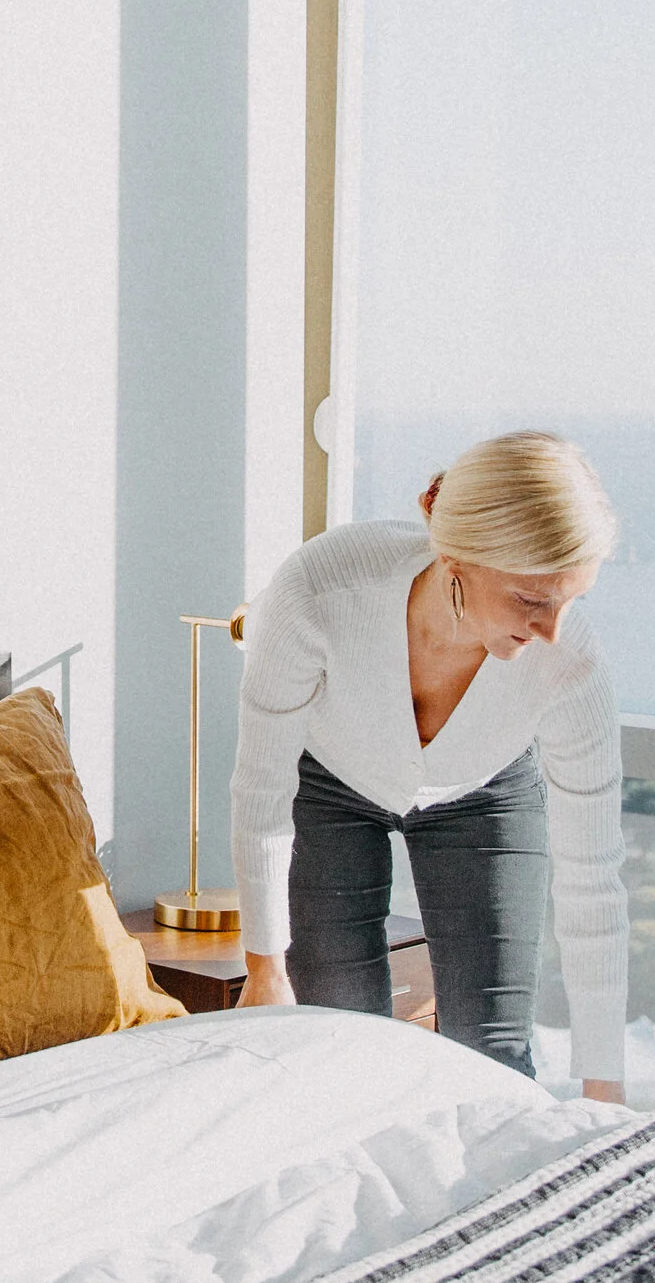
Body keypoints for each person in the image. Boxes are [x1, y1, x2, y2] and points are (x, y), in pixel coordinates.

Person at [230, 431, 627, 1095]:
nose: (551, 631)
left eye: (571, 600)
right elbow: (261, 788)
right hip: (329, 785)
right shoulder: (320, 590)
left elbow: (593, 880)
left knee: (491, 1058)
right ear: (456, 558)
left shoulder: (571, 662)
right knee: (339, 1042)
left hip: (487, 791)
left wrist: (605, 1087)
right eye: (531, 600)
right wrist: (266, 967)